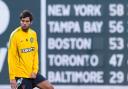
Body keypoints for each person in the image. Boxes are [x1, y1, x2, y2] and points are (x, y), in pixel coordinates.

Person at [8, 10, 54, 89]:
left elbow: (35, 53)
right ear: (20, 21)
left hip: (32, 74)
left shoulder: (33, 34)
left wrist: (35, 71)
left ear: (31, 22)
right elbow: (11, 58)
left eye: (27, 21)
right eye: (22, 21)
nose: (24, 23)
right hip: (20, 75)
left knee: (49, 87)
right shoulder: (15, 35)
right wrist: (12, 78)